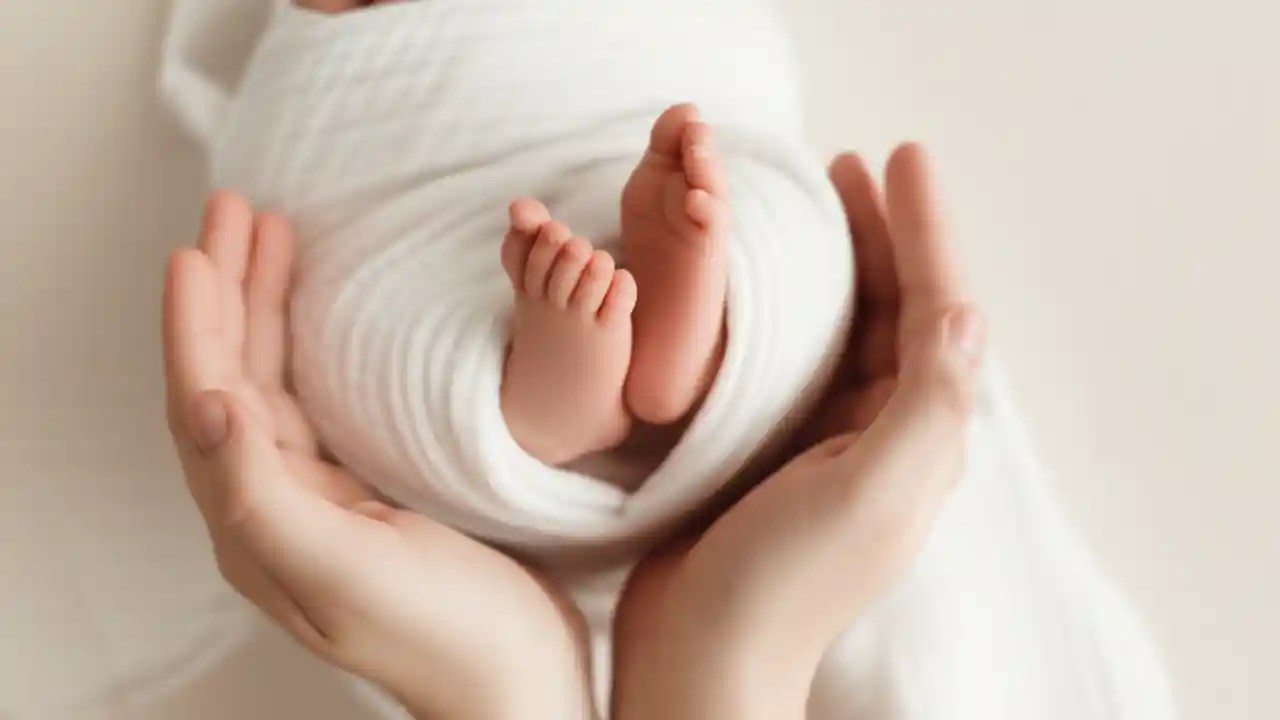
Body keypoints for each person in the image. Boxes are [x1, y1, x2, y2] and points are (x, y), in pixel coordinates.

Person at [163, 143, 986, 719]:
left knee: (367, 350)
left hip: (467, 495)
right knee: (787, 245)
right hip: (757, 452)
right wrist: (727, 655)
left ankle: (576, 395)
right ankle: (687, 363)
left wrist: (501, 684)